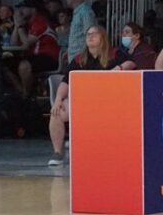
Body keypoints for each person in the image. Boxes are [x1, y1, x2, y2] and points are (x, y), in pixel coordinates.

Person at [48, 24, 114, 166]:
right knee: (57, 113)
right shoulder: (79, 59)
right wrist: (58, 99)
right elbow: (66, 82)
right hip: (81, 102)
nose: (89, 36)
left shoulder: (113, 55)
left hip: (108, 103)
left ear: (103, 37)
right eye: (88, 34)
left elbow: (131, 63)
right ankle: (58, 153)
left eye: (94, 34)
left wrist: (118, 68)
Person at [65, 0, 95, 64]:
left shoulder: (85, 12)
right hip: (75, 56)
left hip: (81, 56)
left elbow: (90, 34)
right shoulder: (78, 12)